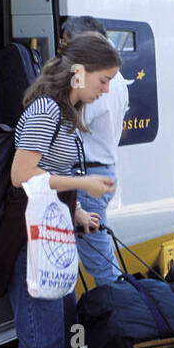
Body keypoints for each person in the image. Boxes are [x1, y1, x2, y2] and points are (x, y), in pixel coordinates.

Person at [4, 32, 120, 348]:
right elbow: (22, 176)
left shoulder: (67, 112)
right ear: (79, 72)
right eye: (103, 80)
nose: (105, 90)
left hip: (52, 234)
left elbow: (47, 180)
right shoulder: (44, 111)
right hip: (27, 240)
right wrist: (84, 184)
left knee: (63, 322)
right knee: (42, 334)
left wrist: (78, 213)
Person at [64, 16, 130, 283]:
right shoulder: (120, 79)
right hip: (102, 171)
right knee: (99, 257)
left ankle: (126, 316)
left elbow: (68, 128)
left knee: (100, 263)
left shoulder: (96, 85)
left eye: (67, 46)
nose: (64, 54)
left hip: (87, 178)